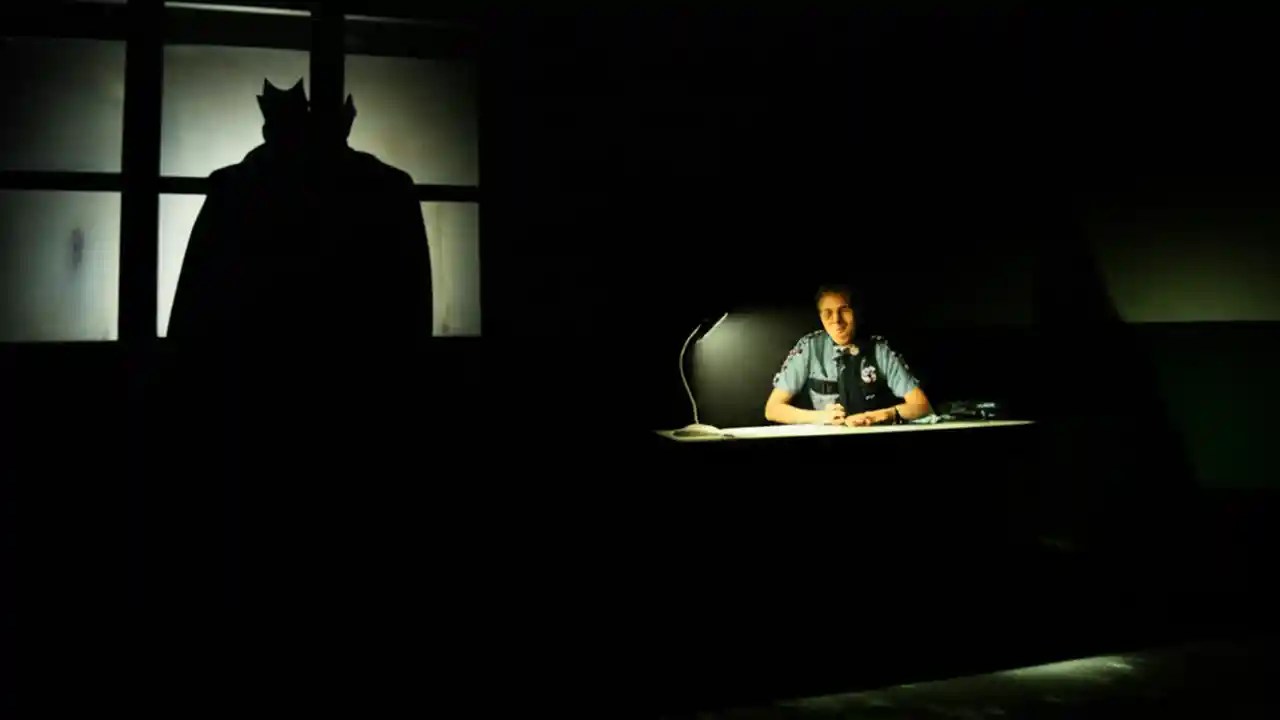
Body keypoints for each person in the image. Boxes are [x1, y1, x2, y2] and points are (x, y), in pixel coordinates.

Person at [765, 285, 932, 426]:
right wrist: (821, 417)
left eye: (844, 310)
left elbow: (922, 406)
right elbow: (772, 409)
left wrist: (878, 416)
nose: (836, 320)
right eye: (827, 313)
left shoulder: (879, 349)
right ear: (820, 316)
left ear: (856, 312)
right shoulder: (809, 347)